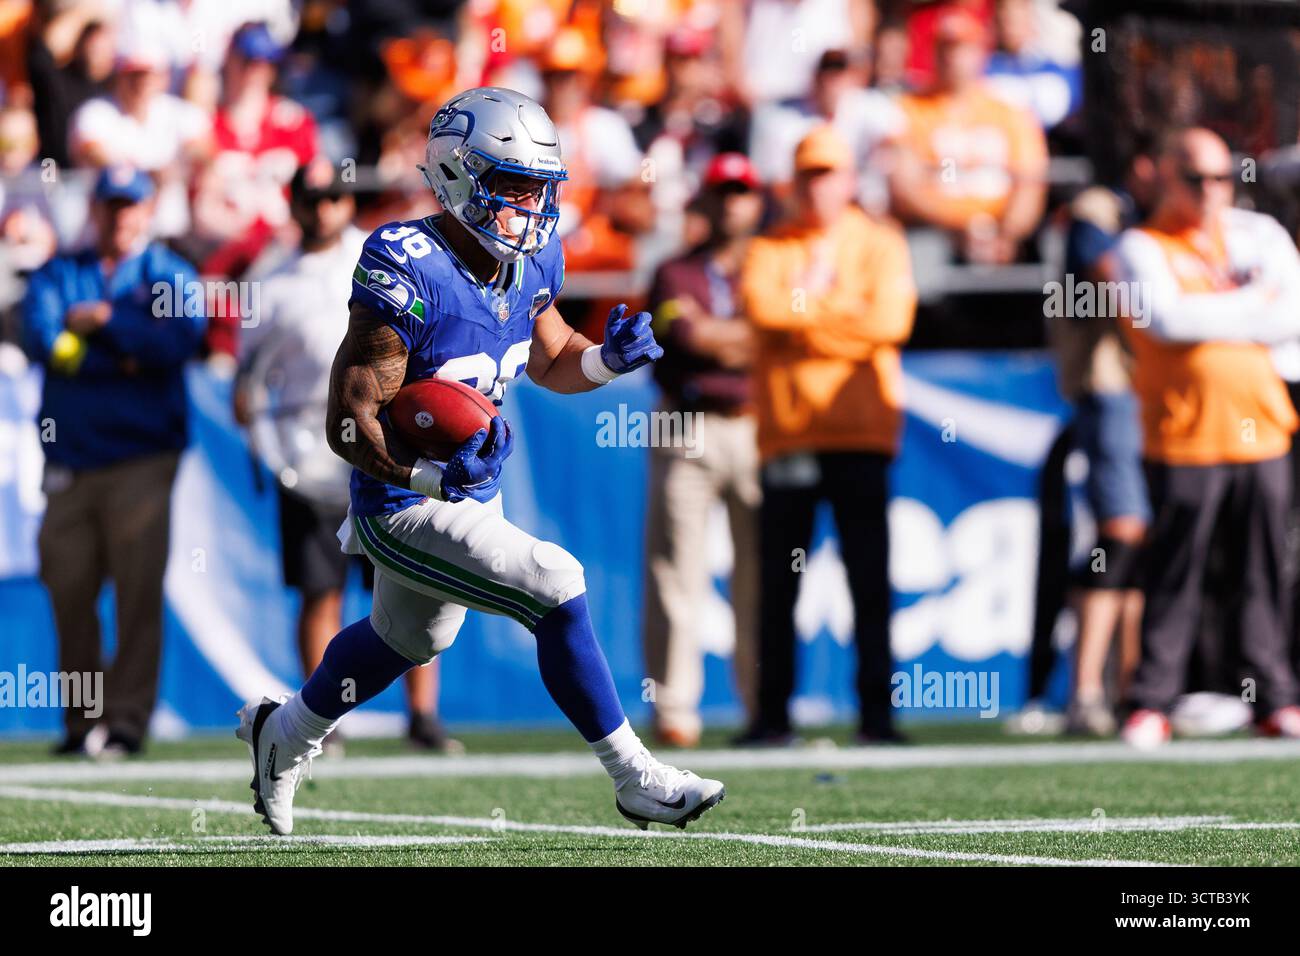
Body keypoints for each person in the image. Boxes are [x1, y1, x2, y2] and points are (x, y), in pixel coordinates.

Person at [235, 87, 725, 834]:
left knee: (410, 639)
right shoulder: (407, 263)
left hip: (468, 491)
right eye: (514, 186)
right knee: (557, 582)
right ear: (459, 176)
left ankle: (286, 732)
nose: (532, 206)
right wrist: (430, 476)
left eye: (540, 188)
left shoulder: (531, 261)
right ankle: (635, 776)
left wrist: (604, 362)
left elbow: (553, 352)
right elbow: (347, 426)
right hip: (400, 502)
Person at [235, 159, 460, 754]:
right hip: (307, 453)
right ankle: (321, 719)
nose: (325, 208)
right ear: (294, 204)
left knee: (412, 582)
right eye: (313, 198)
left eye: (335, 196)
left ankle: (423, 716)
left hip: (382, 443)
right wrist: (269, 446)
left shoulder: (381, 256)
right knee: (320, 589)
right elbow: (246, 379)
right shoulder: (271, 277)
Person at [1114, 127, 1300, 747]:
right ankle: (1151, 700)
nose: (1212, 191)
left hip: (1263, 428)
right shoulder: (1140, 246)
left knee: (1262, 572)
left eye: (1222, 177)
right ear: (1165, 175)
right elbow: (1165, 320)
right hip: (1184, 432)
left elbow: (1294, 312)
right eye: (1196, 178)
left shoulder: (1260, 235)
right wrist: (1252, 309)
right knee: (1175, 572)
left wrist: (1220, 316)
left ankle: (1272, 697)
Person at [736, 125, 917, 746]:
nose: (819, 186)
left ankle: (877, 716)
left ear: (849, 179)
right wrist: (848, 316)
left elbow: (892, 322)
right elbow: (763, 311)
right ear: (795, 181)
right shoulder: (771, 247)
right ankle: (772, 716)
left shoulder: (881, 241)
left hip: (863, 434)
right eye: (810, 174)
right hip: (790, 434)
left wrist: (806, 319)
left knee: (870, 581)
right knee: (778, 587)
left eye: (829, 173)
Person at [21, 166, 205, 757]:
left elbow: (180, 340)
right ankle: (81, 721)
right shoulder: (61, 270)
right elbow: (46, 341)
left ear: (149, 211)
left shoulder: (167, 273)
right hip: (71, 461)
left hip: (142, 458)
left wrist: (104, 322)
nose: (121, 216)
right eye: (112, 205)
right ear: (95, 210)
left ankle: (126, 721)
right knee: (68, 590)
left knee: (136, 592)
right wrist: (130, 350)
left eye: (132, 206)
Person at [642, 153, 765, 748]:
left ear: (756, 201)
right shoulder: (672, 273)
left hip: (758, 424)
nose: (733, 202)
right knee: (675, 571)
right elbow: (682, 335)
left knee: (762, 576)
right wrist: (752, 336)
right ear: (705, 200)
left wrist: (737, 337)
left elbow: (784, 337)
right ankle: (674, 709)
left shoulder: (771, 269)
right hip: (685, 424)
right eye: (723, 191)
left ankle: (766, 707)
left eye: (743, 191)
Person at [887, 7, 1047, 265]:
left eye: (962, 48)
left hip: (1001, 234)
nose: (953, 58)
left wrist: (1005, 232)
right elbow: (904, 186)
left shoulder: (1009, 109)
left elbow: (1030, 181)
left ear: (980, 51)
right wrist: (960, 226)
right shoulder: (908, 109)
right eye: (945, 48)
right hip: (933, 235)